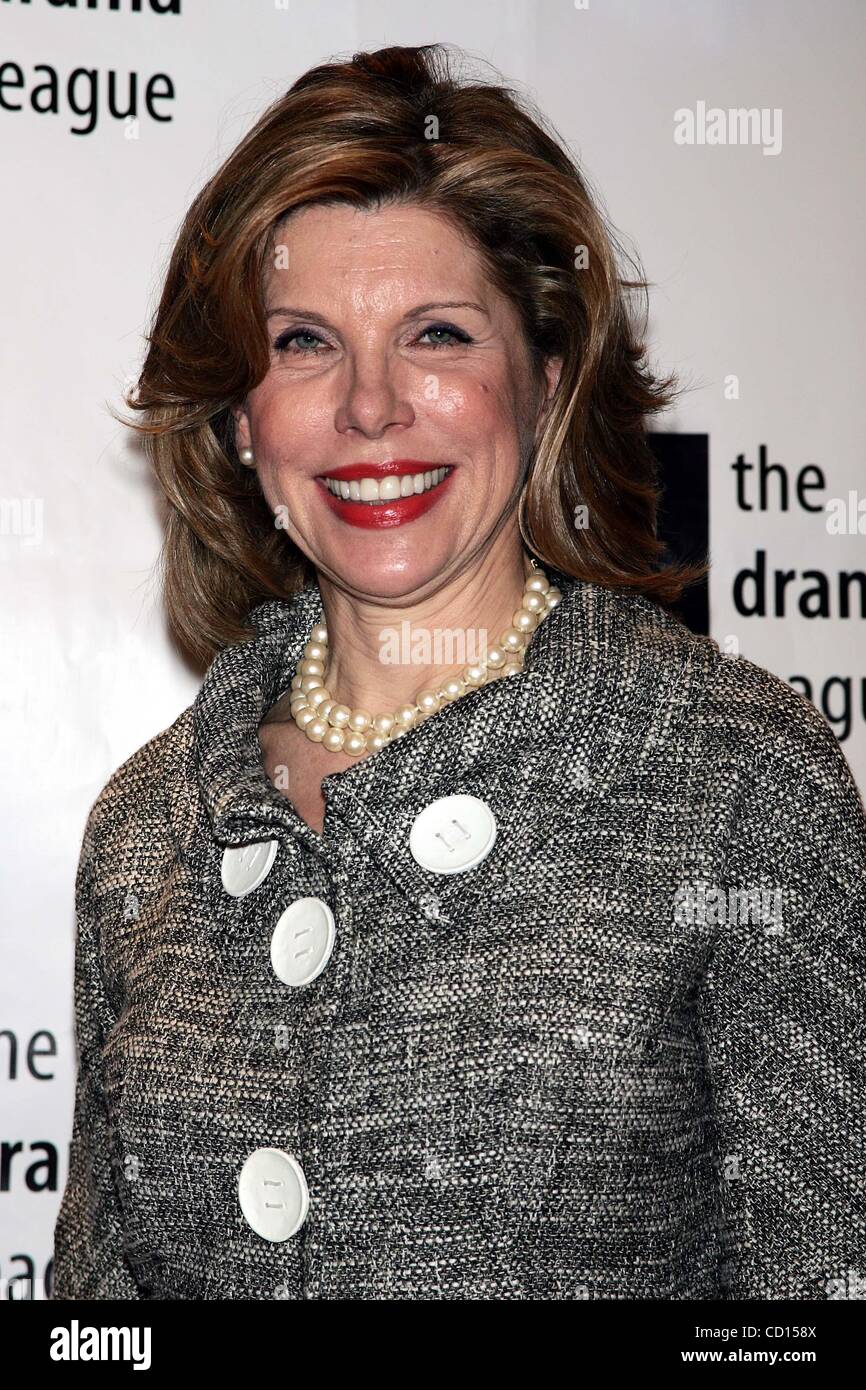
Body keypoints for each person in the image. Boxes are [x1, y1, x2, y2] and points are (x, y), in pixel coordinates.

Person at [52, 43, 866, 1301]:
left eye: (436, 334)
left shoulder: (733, 779)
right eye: (304, 344)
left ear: (543, 385)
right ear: (236, 422)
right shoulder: (145, 829)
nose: (371, 406)